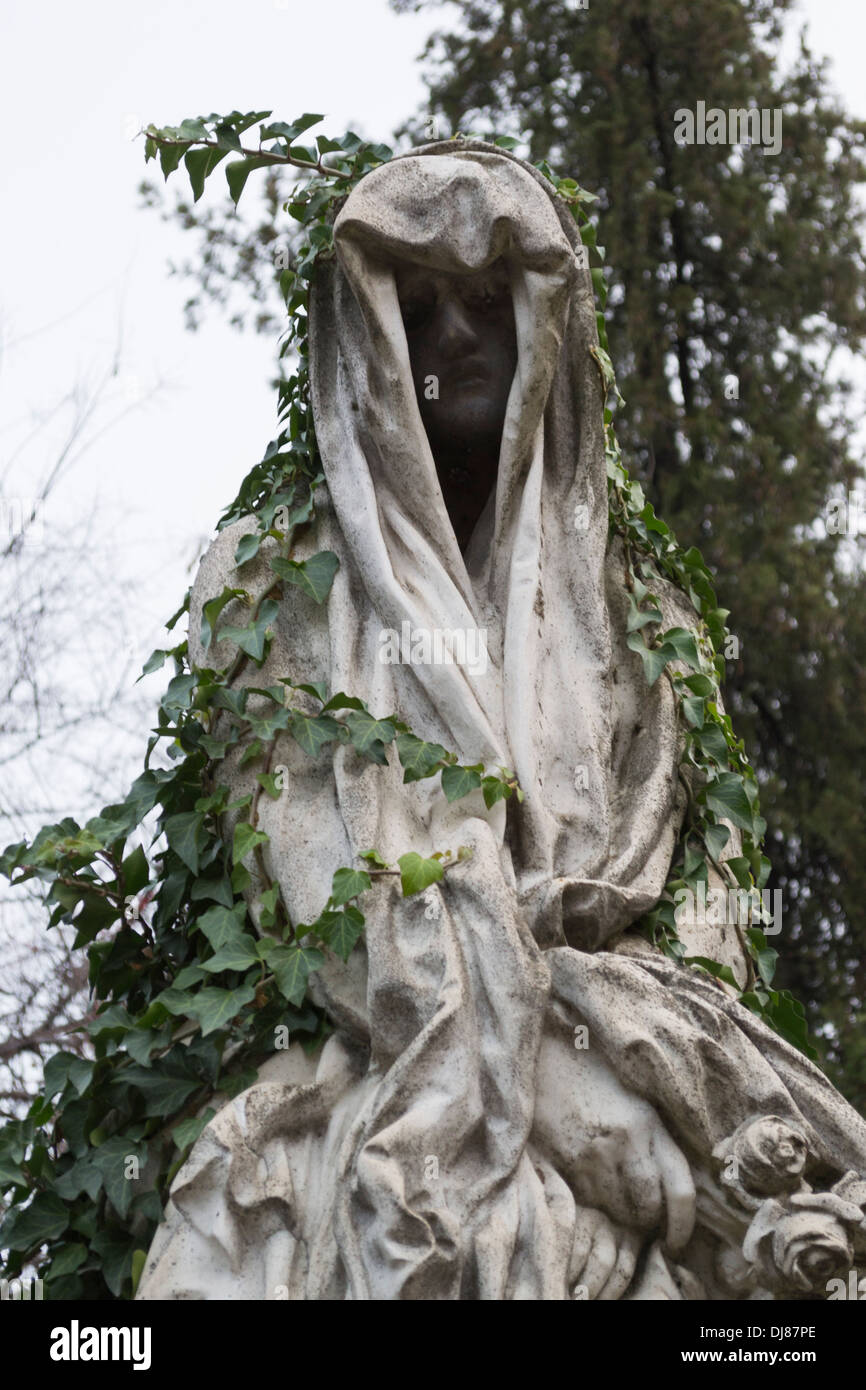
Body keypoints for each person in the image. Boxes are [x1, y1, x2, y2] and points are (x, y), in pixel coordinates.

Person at [137, 143, 866, 1301]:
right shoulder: (274, 585)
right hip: (402, 1028)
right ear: (371, 344)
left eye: (485, 301)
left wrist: (609, 1029)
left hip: (631, 1040)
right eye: (418, 309)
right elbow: (305, 863)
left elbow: (705, 887)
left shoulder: (643, 613)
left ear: (542, 332)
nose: (457, 337)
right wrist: (479, 973)